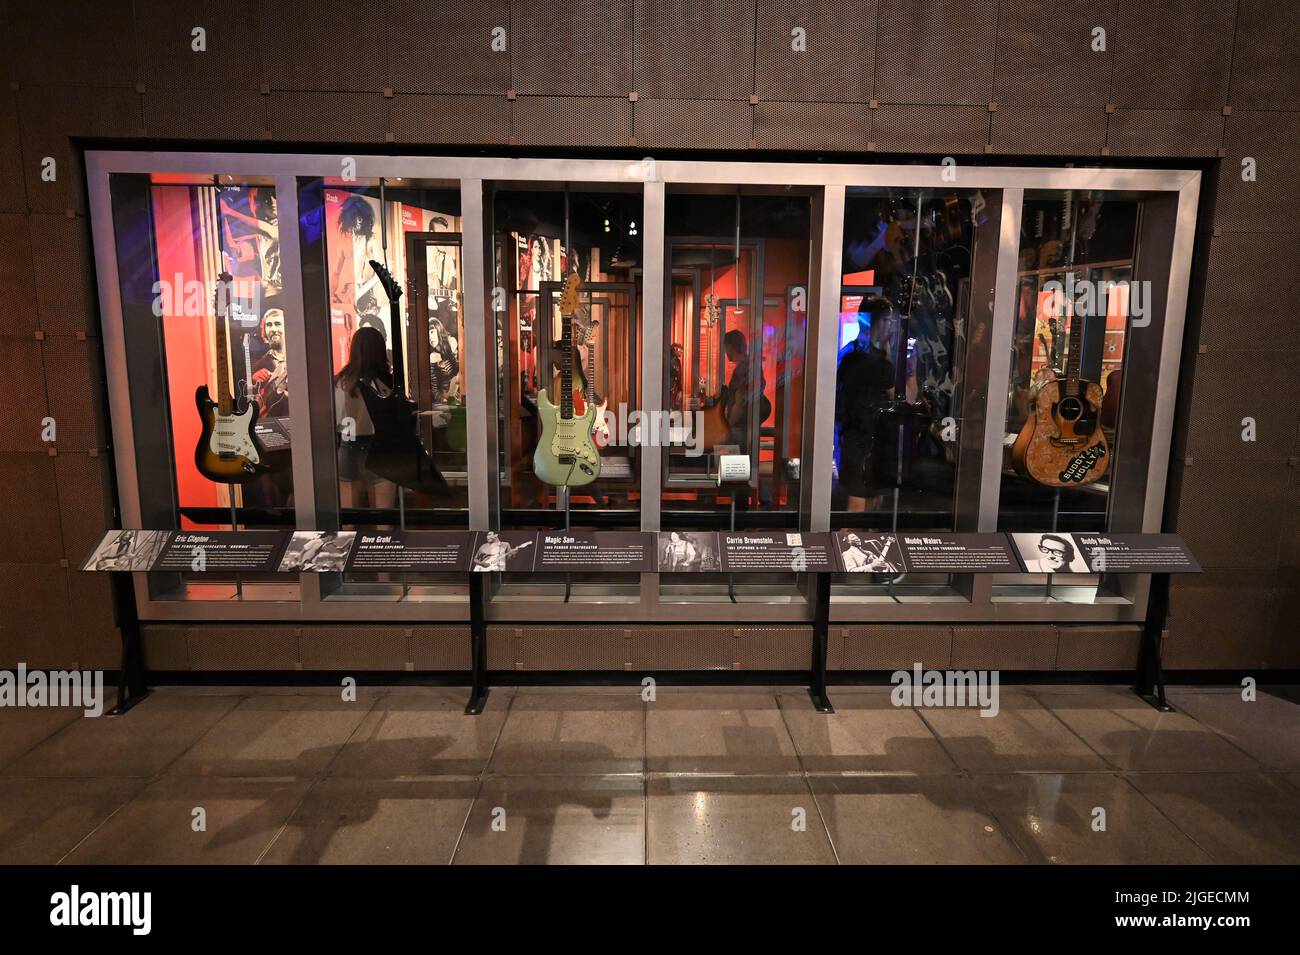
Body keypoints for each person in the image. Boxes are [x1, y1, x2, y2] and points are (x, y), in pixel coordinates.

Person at [835, 298, 896, 512]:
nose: (891, 326)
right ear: (878, 323)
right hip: (861, 440)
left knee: (869, 500)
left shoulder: (850, 354)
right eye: (888, 321)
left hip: (861, 439)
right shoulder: (869, 360)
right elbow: (901, 398)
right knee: (859, 502)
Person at [334, 326, 397, 510]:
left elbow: (335, 419)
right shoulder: (388, 383)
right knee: (383, 524)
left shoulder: (340, 382)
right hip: (382, 449)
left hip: (348, 445)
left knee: (348, 523)